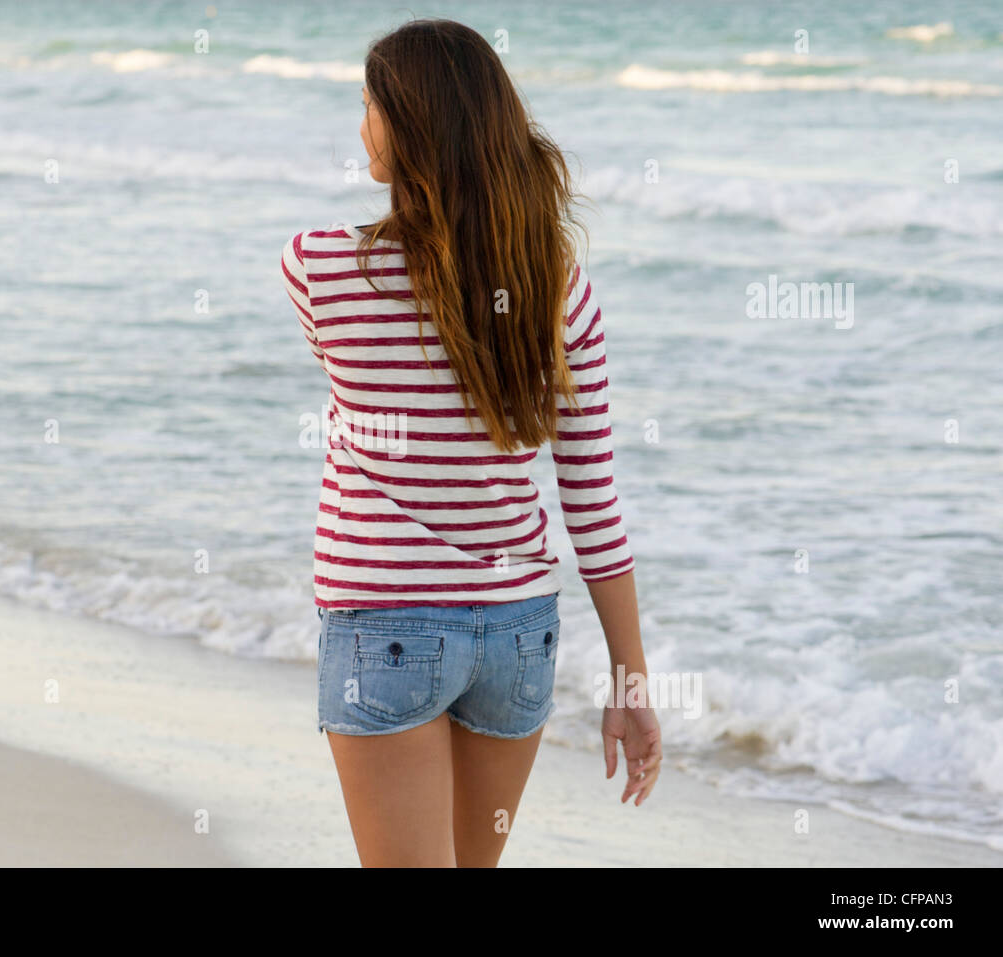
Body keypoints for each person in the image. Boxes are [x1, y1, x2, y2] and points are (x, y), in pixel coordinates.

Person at [281, 18, 661, 867]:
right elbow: (593, 504)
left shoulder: (319, 268)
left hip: (384, 620)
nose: (360, 126)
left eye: (369, 106)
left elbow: (362, 360)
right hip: (518, 635)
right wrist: (631, 679)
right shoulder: (560, 290)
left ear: (409, 128)